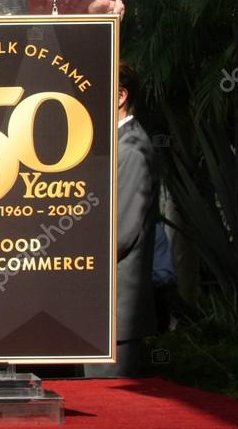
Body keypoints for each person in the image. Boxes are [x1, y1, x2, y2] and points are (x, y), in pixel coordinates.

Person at [84, 62, 157, 378]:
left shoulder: (130, 151)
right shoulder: (112, 145)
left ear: (119, 96)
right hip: (96, 313)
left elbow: (120, 235)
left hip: (114, 317)